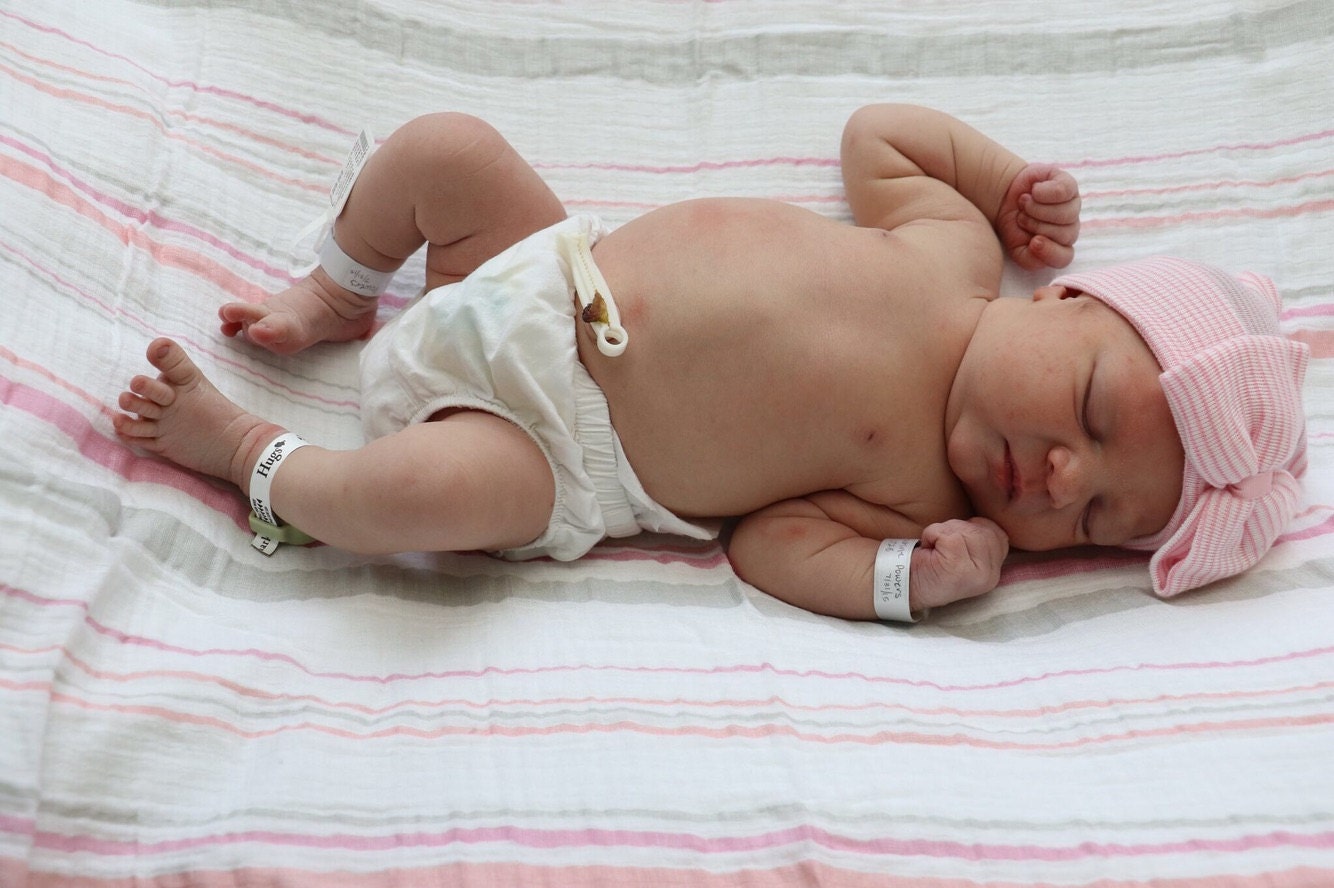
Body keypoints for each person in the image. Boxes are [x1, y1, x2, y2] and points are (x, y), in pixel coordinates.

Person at [112, 106, 1309, 622]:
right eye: (1091, 412)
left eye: (1095, 514)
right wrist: (1002, 185)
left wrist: (905, 579)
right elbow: (875, 133)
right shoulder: (949, 249)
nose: (1053, 475)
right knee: (446, 151)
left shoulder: (919, 501)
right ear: (1059, 297)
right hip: (537, 265)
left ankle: (251, 457)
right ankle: (334, 291)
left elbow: (770, 549)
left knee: (413, 499)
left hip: (552, 448)